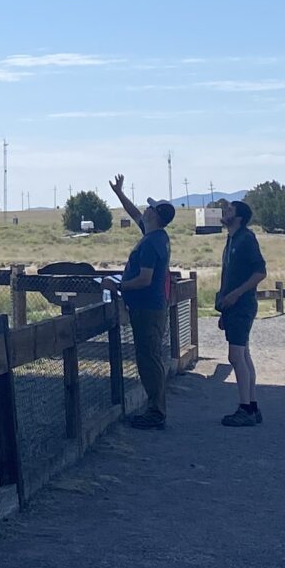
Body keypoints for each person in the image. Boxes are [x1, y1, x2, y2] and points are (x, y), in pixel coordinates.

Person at [109, 175, 176, 429]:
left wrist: (117, 285)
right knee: (150, 357)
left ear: (155, 215)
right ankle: (155, 408)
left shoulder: (150, 243)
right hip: (150, 307)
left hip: (147, 308)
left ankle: (156, 412)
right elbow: (134, 212)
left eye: (150, 208)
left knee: (149, 359)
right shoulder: (156, 236)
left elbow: (145, 279)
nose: (145, 210)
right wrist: (119, 194)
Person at [216, 197, 266, 426]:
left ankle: (244, 408)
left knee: (235, 356)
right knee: (243, 354)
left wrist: (236, 294)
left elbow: (259, 272)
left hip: (242, 305)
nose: (225, 211)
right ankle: (252, 406)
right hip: (232, 307)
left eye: (229, 209)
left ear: (238, 217)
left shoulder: (246, 239)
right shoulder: (232, 239)